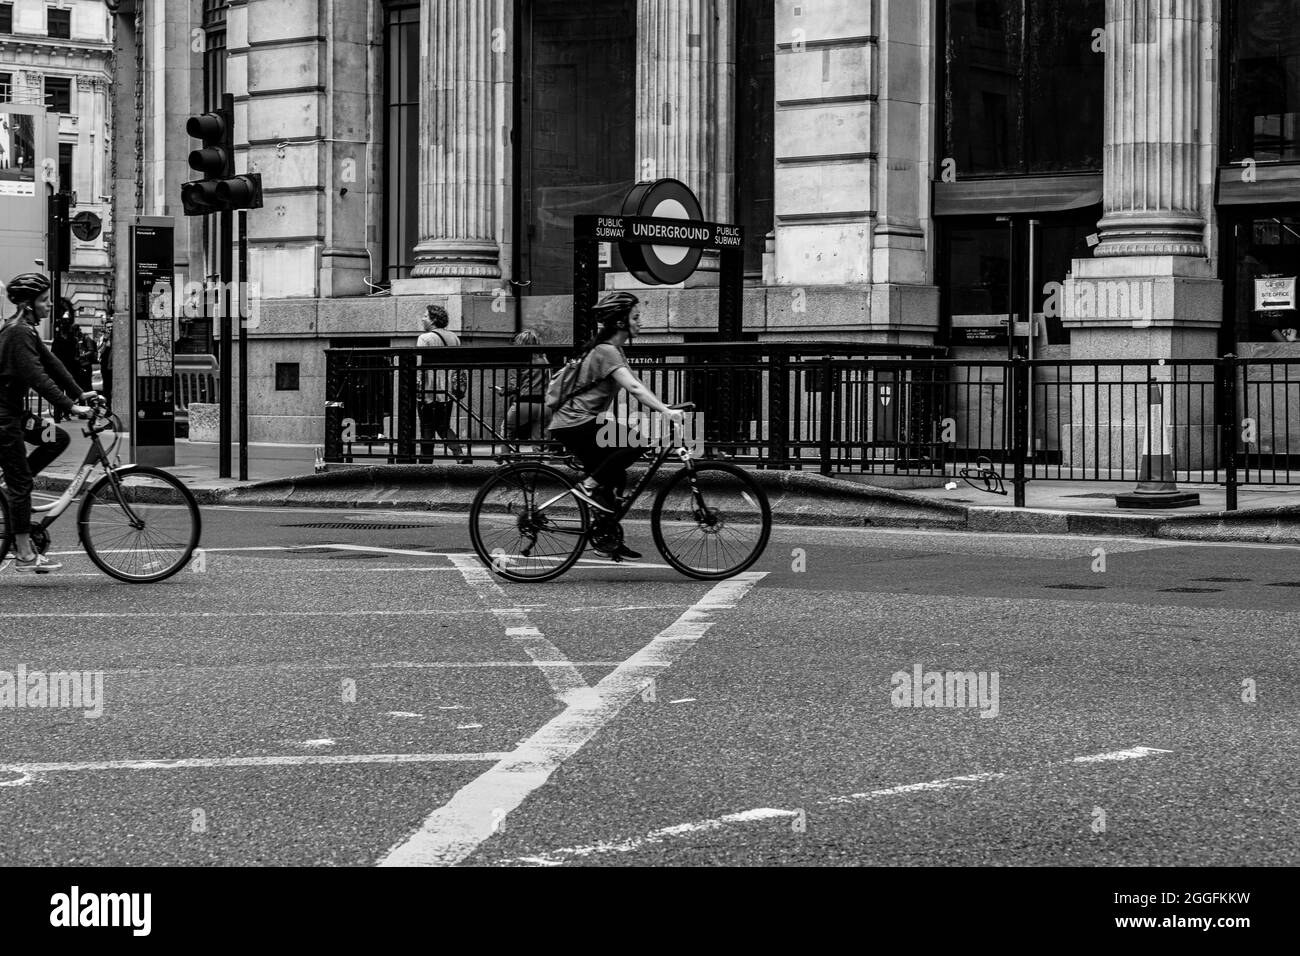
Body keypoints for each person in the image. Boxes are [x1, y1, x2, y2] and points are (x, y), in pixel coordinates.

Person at [547, 291, 683, 561]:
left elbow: (639, 387)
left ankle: (607, 537)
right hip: (575, 422)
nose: (640, 321)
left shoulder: (610, 349)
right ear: (620, 322)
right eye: (636, 316)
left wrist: (667, 406)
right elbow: (634, 388)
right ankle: (587, 486)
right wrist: (666, 411)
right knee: (637, 442)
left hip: (574, 422)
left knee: (614, 475)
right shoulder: (607, 351)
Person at [0, 273, 95, 573]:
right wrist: (70, 407)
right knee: (21, 483)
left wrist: (82, 393)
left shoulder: (26, 330)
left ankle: (15, 492)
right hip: (3, 419)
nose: (50, 304)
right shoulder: (16, 333)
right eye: (44, 299)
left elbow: (53, 365)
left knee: (57, 439)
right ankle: (25, 554)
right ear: (28, 304)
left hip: (15, 415)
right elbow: (37, 378)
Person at [416, 304, 469, 463]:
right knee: (443, 425)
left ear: (433, 320)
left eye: (425, 316)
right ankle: (459, 454)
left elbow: (420, 367)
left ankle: (426, 461)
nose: (423, 319)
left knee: (427, 426)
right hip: (447, 392)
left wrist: (418, 389)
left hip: (429, 391)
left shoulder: (424, 338)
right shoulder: (454, 338)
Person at [501, 329, 550, 447]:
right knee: (539, 440)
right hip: (545, 405)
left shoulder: (519, 361)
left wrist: (503, 390)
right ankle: (538, 463)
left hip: (524, 403)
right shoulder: (545, 360)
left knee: (507, 429)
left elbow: (513, 386)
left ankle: (506, 459)